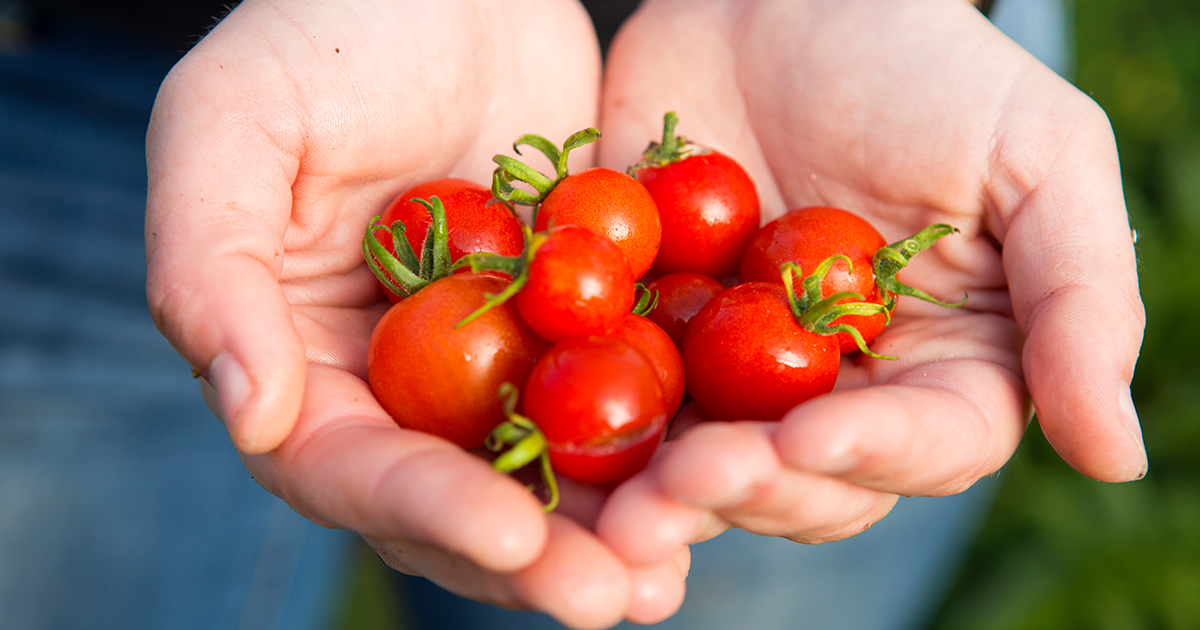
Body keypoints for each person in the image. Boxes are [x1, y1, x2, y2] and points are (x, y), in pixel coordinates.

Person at [1, 0, 1144, 628]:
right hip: (127, 64)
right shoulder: (546, 282)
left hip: (863, 56)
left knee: (718, 539)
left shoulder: (684, 291)